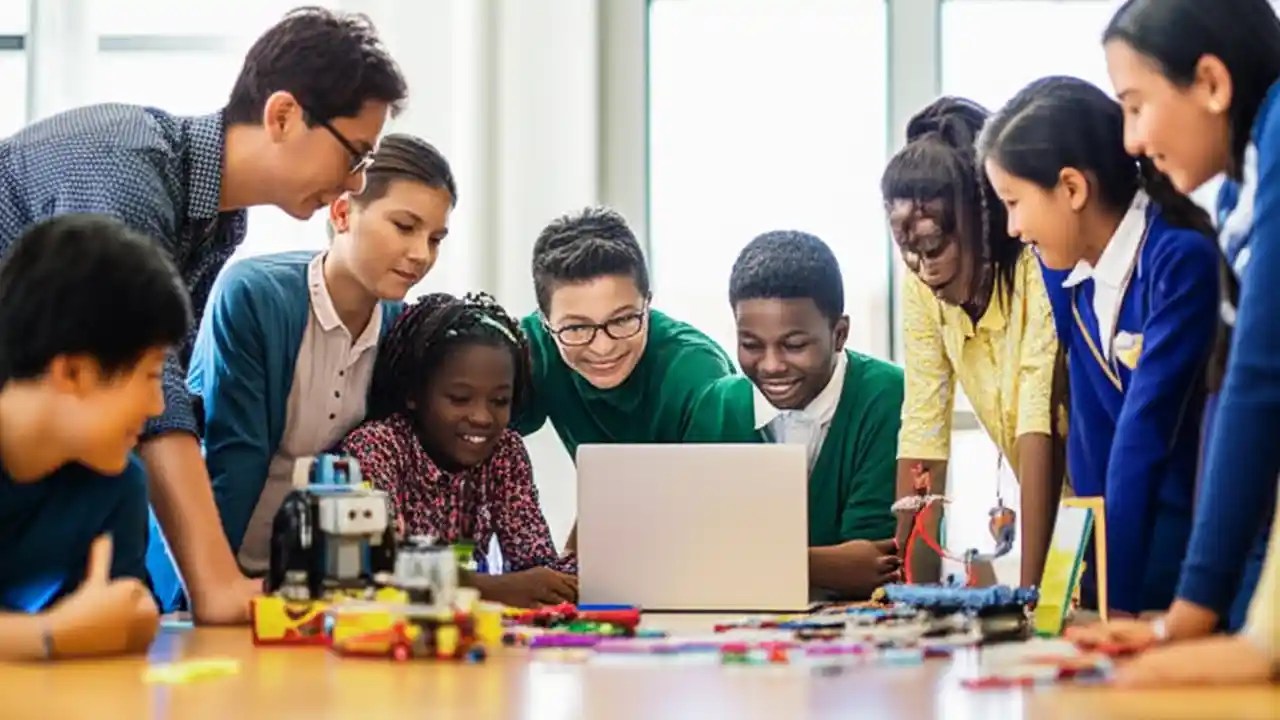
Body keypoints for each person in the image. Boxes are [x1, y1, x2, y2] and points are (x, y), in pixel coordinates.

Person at [0, 8, 408, 623]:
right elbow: (152, 376)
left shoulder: (215, 220)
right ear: (283, 115)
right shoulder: (128, 167)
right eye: (355, 155)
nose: (353, 185)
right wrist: (216, 583)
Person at [1065, 0, 1280, 658]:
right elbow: (1230, 394)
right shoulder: (1234, 192)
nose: (1130, 140)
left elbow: (1259, 378)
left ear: (1211, 84)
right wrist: (1197, 609)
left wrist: (1188, 613)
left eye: (1136, 104)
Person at [978, 75, 1221, 617]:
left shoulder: (1177, 259)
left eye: (1015, 202)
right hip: (1109, 556)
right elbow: (1085, 426)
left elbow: (1143, 435)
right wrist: (1069, 598)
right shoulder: (1064, 264)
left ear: (1071, 189)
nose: (1014, 228)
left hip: (1178, 565)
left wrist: (1118, 610)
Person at [189, 135, 455, 576]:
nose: (421, 254)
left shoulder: (401, 327)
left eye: (436, 238)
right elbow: (229, 458)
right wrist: (206, 588)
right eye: (405, 227)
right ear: (343, 211)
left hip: (326, 585)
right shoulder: (254, 295)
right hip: (218, 574)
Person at [882, 97, 1064, 586]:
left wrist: (1029, 594)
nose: (923, 268)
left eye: (935, 247)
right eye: (908, 251)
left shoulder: (1034, 264)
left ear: (979, 223)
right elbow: (922, 427)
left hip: (1085, 504)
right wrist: (907, 592)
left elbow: (1036, 420)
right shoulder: (920, 286)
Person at [0, 214, 192, 659]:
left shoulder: (116, 483)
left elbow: (116, 619)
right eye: (149, 376)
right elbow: (71, 632)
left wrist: (127, 619)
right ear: (72, 371)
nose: (157, 406)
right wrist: (50, 635)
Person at [684, 231, 903, 599]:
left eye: (795, 345)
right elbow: (694, 556)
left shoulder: (887, 394)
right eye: (751, 344)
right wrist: (828, 564)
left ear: (840, 334)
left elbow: (881, 566)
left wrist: (738, 560)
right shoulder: (716, 407)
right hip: (741, 625)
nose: (771, 366)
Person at [513, 207, 735, 551]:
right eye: (576, 327)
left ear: (648, 302)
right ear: (545, 322)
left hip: (694, 541)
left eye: (623, 320)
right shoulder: (530, 350)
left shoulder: (696, 373)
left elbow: (718, 514)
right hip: (612, 526)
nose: (603, 347)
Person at [342, 293, 578, 609]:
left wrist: (579, 577)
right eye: (459, 398)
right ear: (414, 393)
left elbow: (534, 560)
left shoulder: (505, 451)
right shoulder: (376, 448)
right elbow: (379, 565)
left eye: (499, 401)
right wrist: (494, 588)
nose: (482, 417)